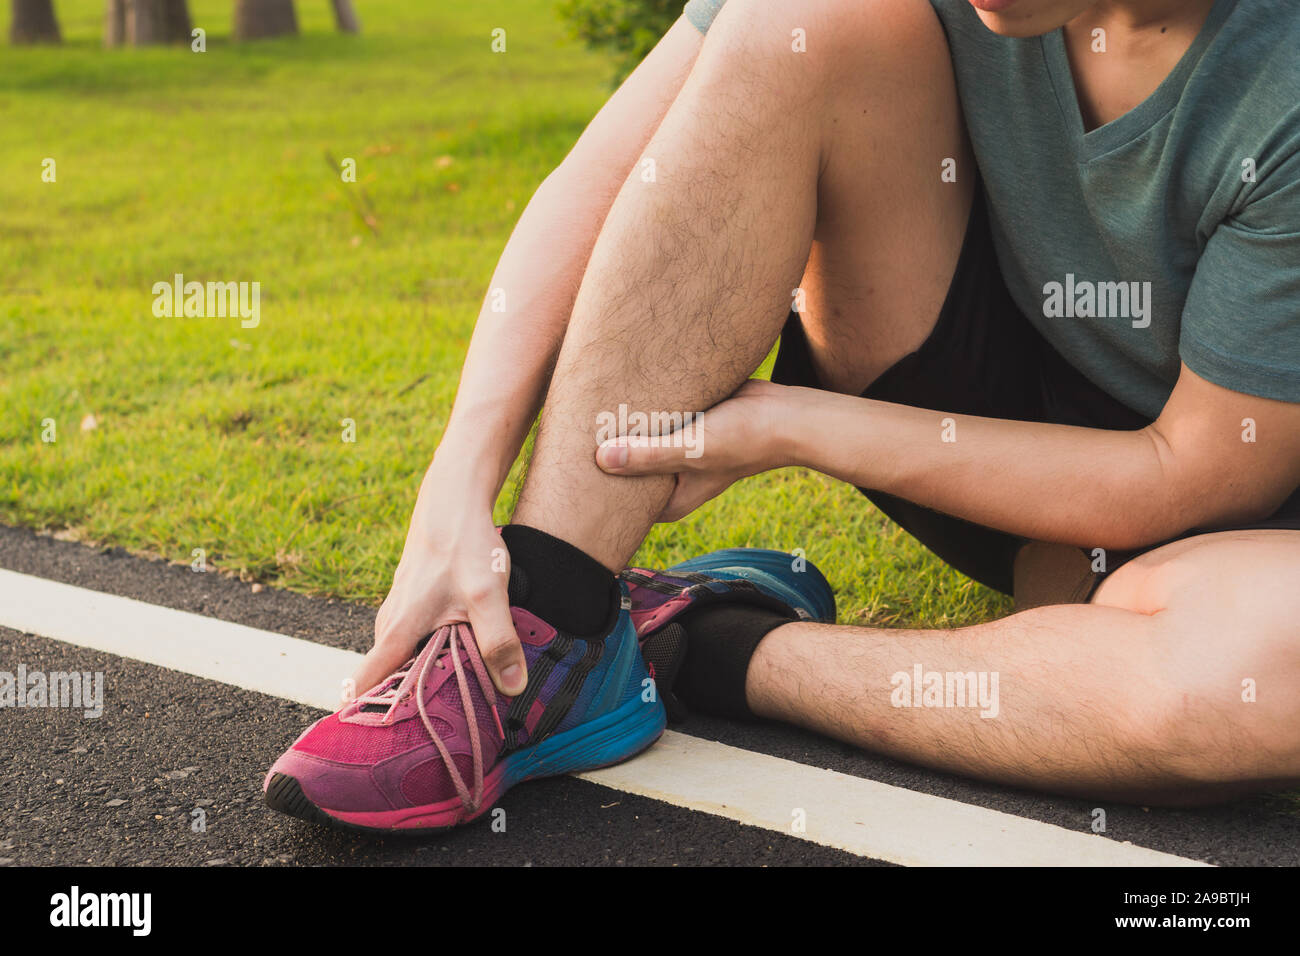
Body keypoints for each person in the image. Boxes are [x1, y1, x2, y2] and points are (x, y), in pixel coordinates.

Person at [265, 0, 1300, 832]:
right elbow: (605, 174)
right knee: (794, 18)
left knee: (1253, 675)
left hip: (1221, 513)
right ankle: (551, 617)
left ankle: (696, 643)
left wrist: (795, 426)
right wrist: (459, 477)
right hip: (965, 383)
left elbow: (1197, 469)